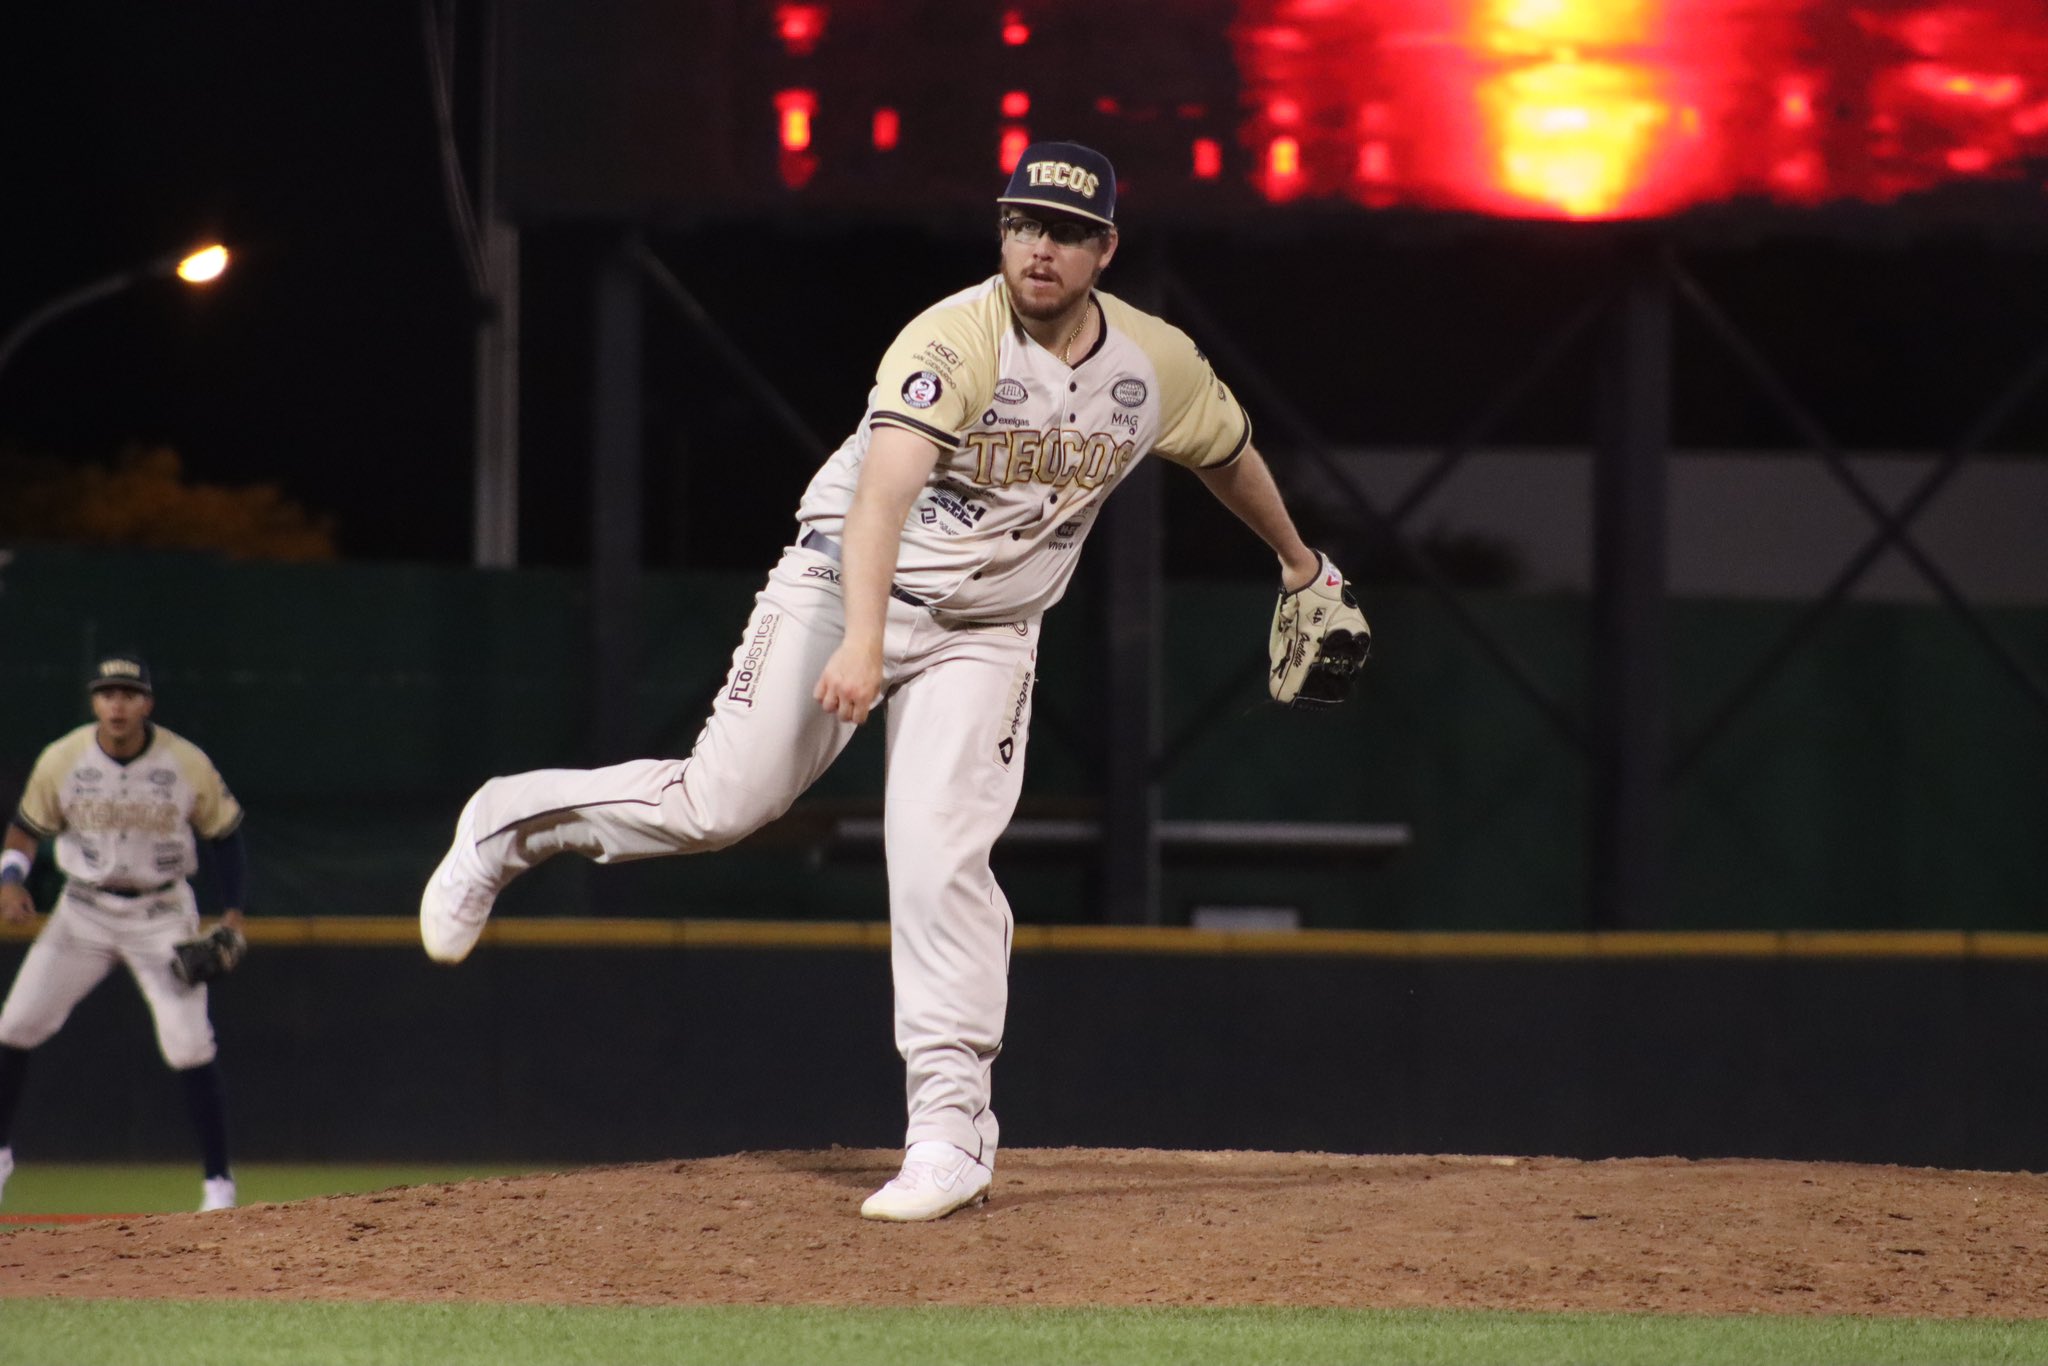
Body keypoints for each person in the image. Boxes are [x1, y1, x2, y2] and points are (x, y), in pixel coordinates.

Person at [421, 141, 1352, 1221]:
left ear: (1105, 248)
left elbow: (1226, 451)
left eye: (1063, 232)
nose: (1037, 248)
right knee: (718, 806)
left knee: (939, 851)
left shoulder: (1156, 365)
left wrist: (1301, 564)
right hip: (843, 585)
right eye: (1021, 224)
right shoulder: (950, 340)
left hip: (989, 630)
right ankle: (508, 822)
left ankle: (950, 1132)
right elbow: (880, 500)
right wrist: (862, 639)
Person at [0, 654, 248, 1213]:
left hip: (161, 912)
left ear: (147, 704)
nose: (117, 704)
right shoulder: (63, 759)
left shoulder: (184, 761)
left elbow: (225, 835)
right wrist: (11, 880)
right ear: (94, 702)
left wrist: (233, 915)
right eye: (107, 693)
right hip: (83, 910)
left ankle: (218, 1183)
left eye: (129, 694)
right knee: (14, 1025)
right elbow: (24, 830)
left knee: (189, 1044)